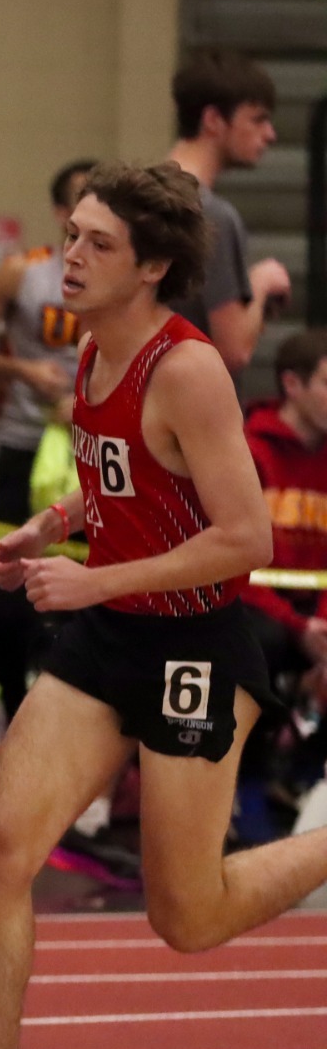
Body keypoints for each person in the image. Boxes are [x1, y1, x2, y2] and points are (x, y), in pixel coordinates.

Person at [0, 162, 327, 1049]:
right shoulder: (86, 347)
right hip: (106, 638)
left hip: (191, 647)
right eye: (68, 234)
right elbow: (115, 473)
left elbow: (242, 534)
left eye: (93, 244)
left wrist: (91, 581)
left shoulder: (188, 366)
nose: (65, 257)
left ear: (152, 268)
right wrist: (44, 527)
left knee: (185, 914)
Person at [0, 159, 93, 722]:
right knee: (10, 594)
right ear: (60, 212)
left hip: (91, 453)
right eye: (80, 203)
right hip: (24, 444)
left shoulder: (124, 284)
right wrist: (24, 372)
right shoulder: (22, 273)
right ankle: (6, 718)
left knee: (86, 592)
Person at [234, 329, 327, 838]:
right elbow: (234, 563)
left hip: (312, 615)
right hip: (258, 611)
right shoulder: (251, 452)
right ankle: (248, 787)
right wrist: (298, 627)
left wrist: (322, 627)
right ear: (292, 383)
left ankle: (305, 774)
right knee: (257, 646)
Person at [165, 48, 289, 377]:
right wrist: (260, 283)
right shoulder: (211, 215)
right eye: (258, 119)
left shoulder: (132, 197)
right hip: (192, 417)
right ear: (213, 121)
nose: (270, 135)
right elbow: (233, 351)